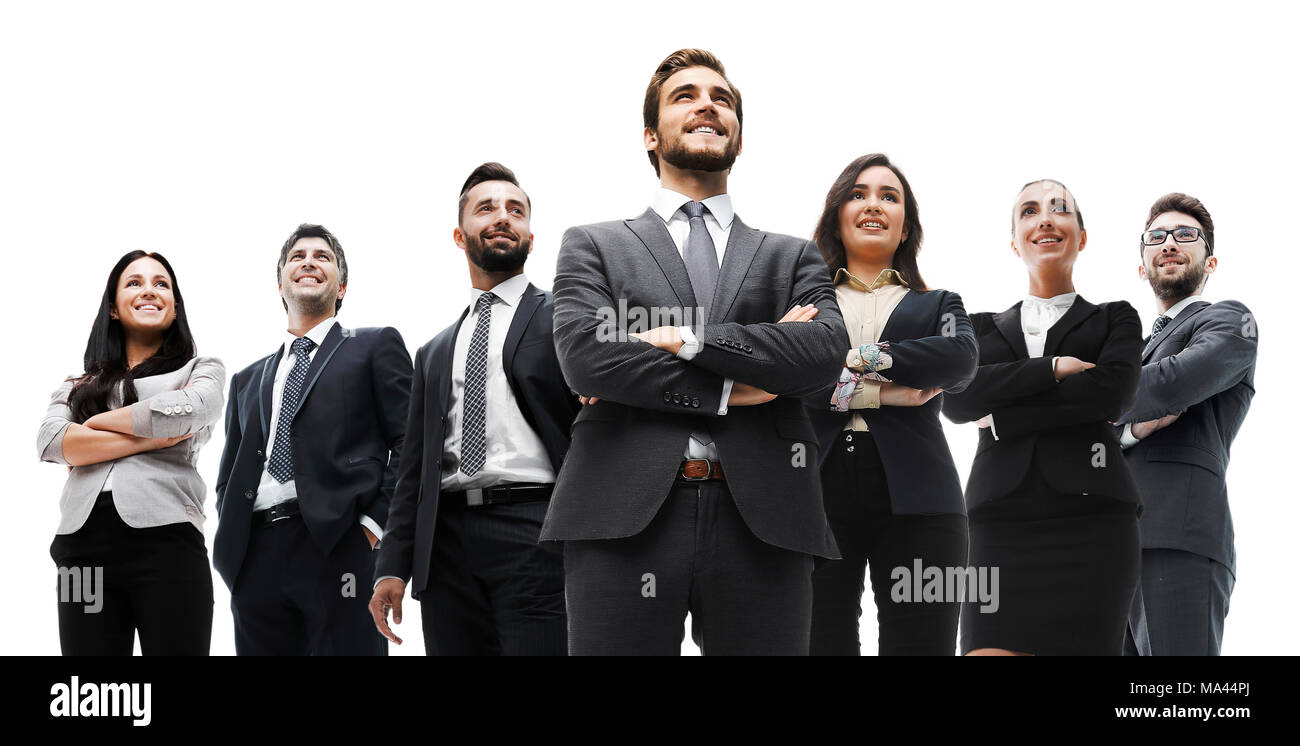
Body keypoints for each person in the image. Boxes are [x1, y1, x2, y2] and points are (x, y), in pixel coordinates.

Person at [543, 48, 848, 655]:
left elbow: (823, 351)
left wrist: (688, 340)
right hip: (618, 516)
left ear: (738, 135)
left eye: (722, 98)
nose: (708, 104)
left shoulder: (792, 256)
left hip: (767, 521)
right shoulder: (593, 245)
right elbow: (586, 356)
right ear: (651, 135)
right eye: (685, 95)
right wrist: (734, 387)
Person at [369, 163, 577, 655]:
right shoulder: (434, 351)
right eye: (486, 208)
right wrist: (392, 566)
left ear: (530, 235)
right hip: (447, 548)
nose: (503, 217)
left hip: (538, 530)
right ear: (461, 236)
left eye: (516, 210)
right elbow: (412, 470)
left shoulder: (566, 318)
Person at [941, 179, 1143, 655]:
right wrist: (1052, 369)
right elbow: (956, 399)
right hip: (997, 526)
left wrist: (1005, 417)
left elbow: (1110, 396)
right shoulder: (978, 326)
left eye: (1060, 209)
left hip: (1095, 524)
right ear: (1015, 241)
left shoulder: (1116, 318)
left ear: (1081, 236)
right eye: (1029, 211)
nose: (1046, 218)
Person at [803, 154, 977, 655]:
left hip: (922, 499)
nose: (873, 204)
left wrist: (857, 359)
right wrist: (880, 390)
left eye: (889, 195)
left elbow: (959, 359)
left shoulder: (939, 303)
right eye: (858, 194)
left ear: (906, 228)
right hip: (814, 493)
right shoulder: (803, 302)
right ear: (837, 213)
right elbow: (786, 379)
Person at [214, 223, 412, 655]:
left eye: (322, 257)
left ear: (341, 286)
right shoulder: (247, 379)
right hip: (256, 556)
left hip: (339, 547)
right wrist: (236, 546)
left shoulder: (374, 346)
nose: (308, 262)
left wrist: (372, 528)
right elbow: (228, 474)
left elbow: (410, 444)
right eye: (297, 257)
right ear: (280, 284)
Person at [38, 251, 223, 655]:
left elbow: (195, 410)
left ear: (175, 308)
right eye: (134, 282)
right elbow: (51, 441)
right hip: (79, 548)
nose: (149, 291)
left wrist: (91, 427)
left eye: (162, 284)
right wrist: (152, 438)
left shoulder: (200, 369)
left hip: (168, 543)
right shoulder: (77, 383)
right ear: (114, 308)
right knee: (93, 696)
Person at [1117, 193, 1257, 656]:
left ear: (1209, 260)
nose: (1169, 243)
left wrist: (1088, 403)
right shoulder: (1127, 355)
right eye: (1156, 237)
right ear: (1143, 265)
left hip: (1178, 539)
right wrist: (1131, 428)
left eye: (1185, 235)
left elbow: (1171, 384)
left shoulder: (1230, 320)